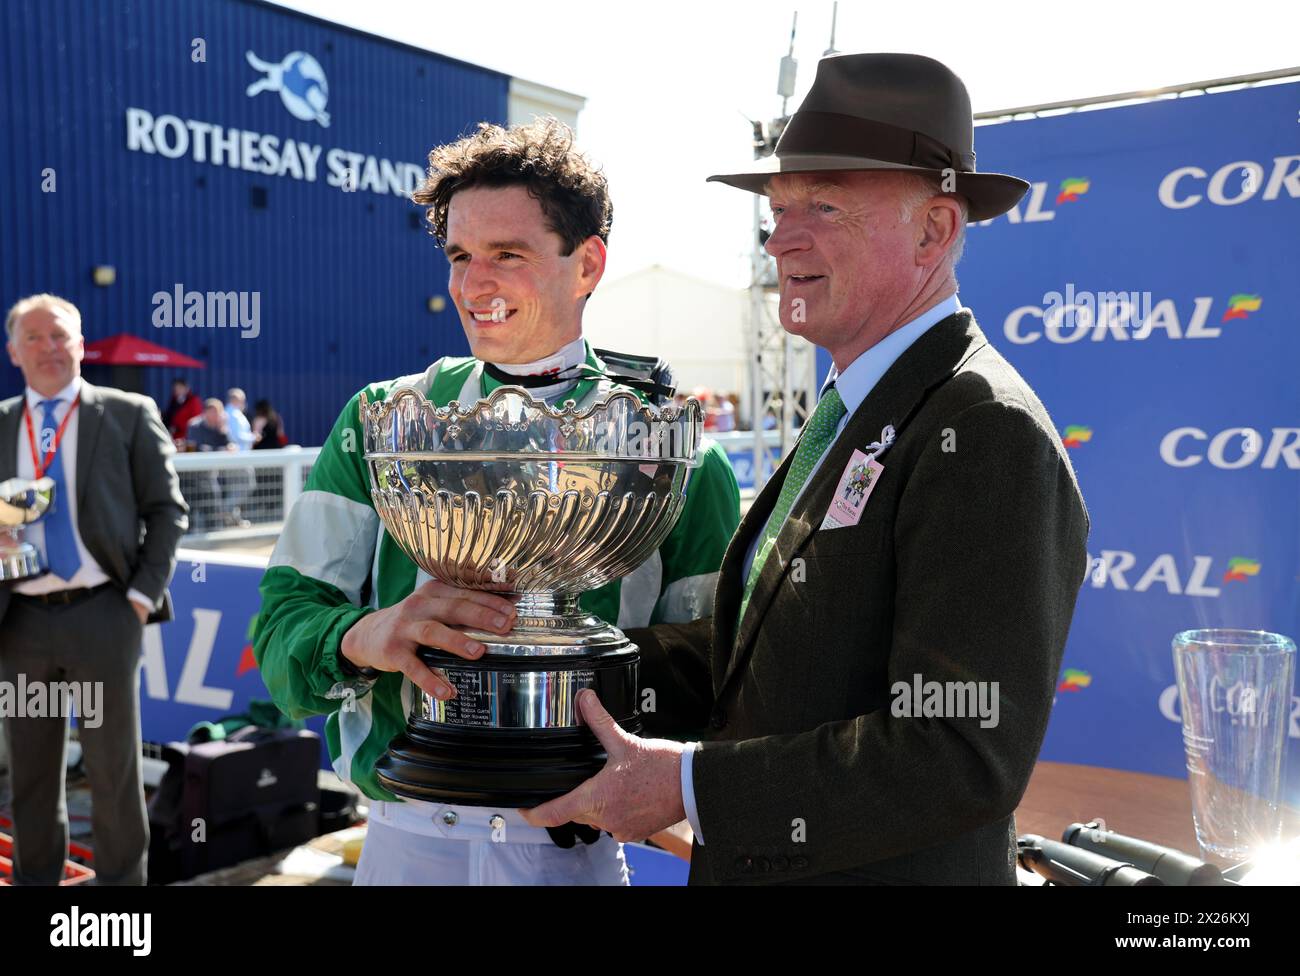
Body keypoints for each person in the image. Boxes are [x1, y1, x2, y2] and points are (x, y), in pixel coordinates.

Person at [522, 53, 1092, 885]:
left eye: (823, 205)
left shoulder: (983, 429)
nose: (779, 239)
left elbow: (959, 752)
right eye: (779, 209)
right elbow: (765, 651)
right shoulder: (860, 406)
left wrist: (685, 785)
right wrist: (548, 666)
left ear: (934, 230)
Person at [253, 117, 740, 885]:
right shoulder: (381, 424)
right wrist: (365, 636)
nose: (473, 284)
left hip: (573, 845)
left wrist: (581, 682)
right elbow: (280, 637)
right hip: (406, 833)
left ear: (587, 265)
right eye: (459, 255)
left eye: (507, 255)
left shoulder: (674, 453)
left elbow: (720, 676)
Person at [0, 293, 187, 884]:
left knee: (113, 777)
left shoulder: (127, 412)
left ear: (81, 345)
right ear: (13, 351)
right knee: (29, 777)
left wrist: (137, 599)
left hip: (103, 615)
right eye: (34, 337)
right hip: (20, 622)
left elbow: (167, 512)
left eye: (60, 336)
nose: (49, 348)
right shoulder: (3, 423)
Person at [161, 377, 201, 443]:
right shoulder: (173, 400)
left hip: (187, 438)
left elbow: (196, 420)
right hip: (174, 438)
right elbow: (170, 416)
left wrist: (178, 428)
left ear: (186, 388)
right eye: (175, 388)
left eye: (180, 388)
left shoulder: (194, 401)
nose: (177, 390)